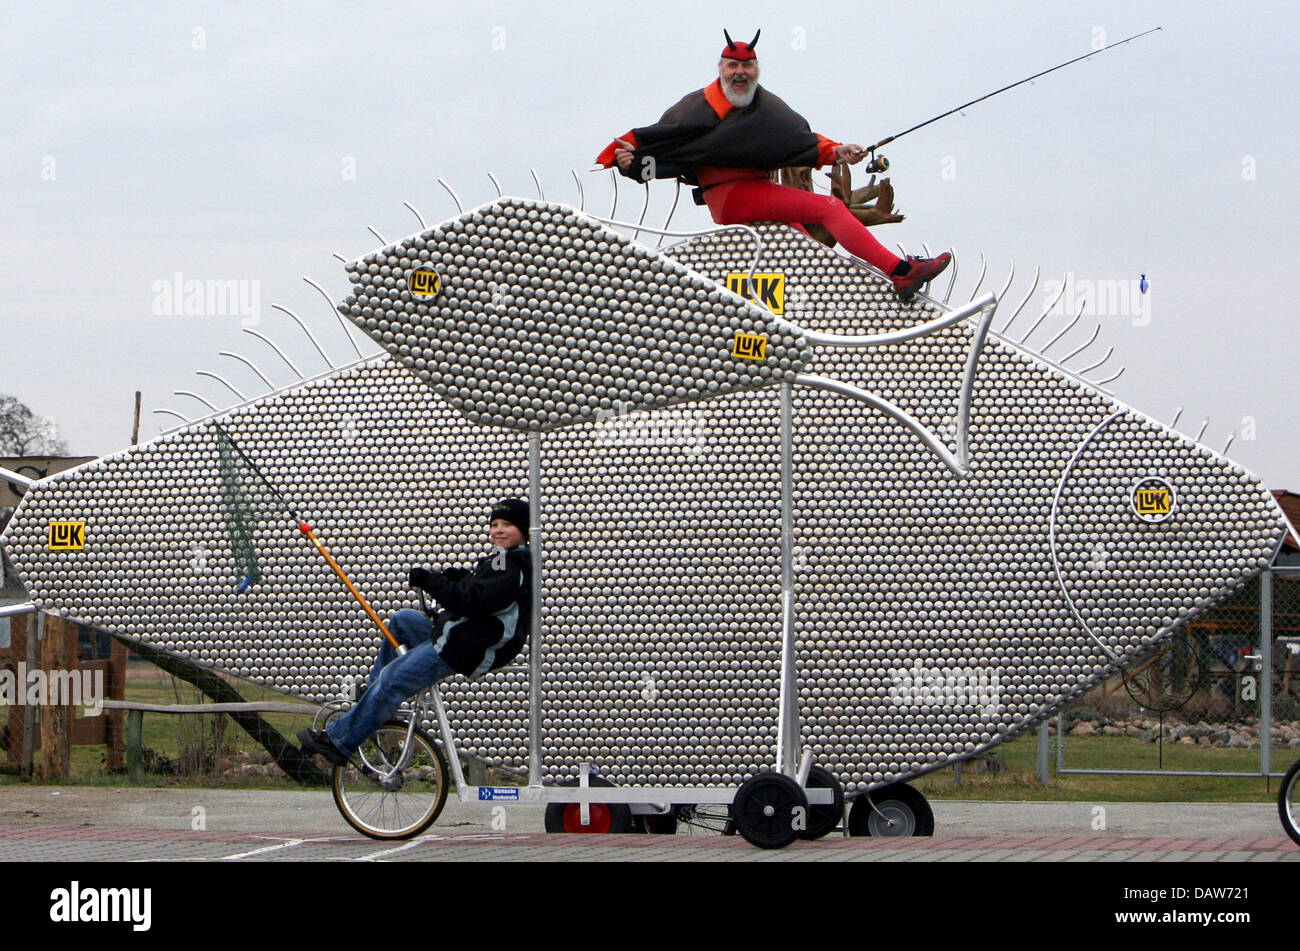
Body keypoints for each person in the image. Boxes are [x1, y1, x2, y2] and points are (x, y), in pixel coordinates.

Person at [595, 29, 950, 301]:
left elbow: (799, 140)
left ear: (756, 69)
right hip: (730, 196)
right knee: (829, 207)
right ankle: (901, 271)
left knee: (805, 245)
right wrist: (631, 162)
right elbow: (664, 144)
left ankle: (819, 305)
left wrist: (839, 152)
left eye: (747, 65)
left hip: (755, 191)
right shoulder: (694, 107)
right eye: (732, 65)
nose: (740, 71)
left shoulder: (766, 108)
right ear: (721, 68)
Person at [298, 498, 532, 765]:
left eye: (507, 524)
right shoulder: (503, 558)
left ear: (524, 530)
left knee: (392, 679)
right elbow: (481, 585)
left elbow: (472, 601)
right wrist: (458, 576)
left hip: (469, 647)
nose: (498, 530)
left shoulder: (514, 567)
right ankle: (377, 705)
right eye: (494, 524)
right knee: (402, 620)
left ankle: (339, 742)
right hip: (461, 635)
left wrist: (433, 583)